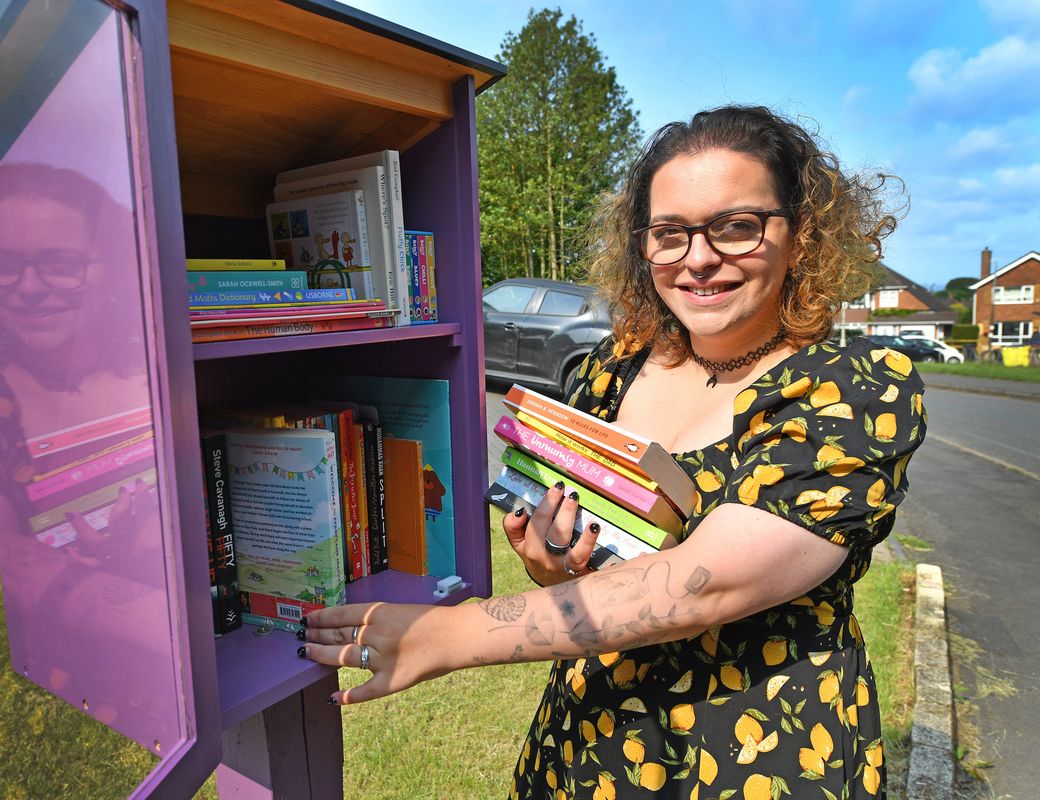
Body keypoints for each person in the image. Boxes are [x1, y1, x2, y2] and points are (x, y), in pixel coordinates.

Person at [301, 105, 924, 798]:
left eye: (736, 226)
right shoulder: (612, 367)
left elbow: (706, 582)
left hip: (760, 747)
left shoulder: (857, 388)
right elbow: (581, 562)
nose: (699, 257)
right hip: (594, 736)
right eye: (669, 234)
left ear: (800, 234)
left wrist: (443, 637)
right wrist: (552, 562)